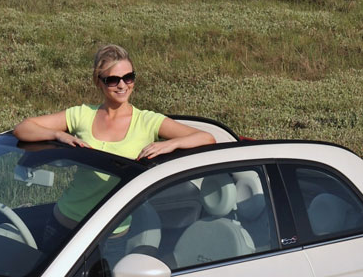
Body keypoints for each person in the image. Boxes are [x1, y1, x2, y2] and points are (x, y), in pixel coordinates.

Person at [13, 45, 214, 231]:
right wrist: (58, 134)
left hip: (112, 233)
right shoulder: (81, 115)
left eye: (129, 77)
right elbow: (23, 128)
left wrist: (171, 144)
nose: (122, 85)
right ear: (98, 81)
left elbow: (206, 138)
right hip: (64, 224)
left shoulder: (147, 121)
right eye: (112, 79)